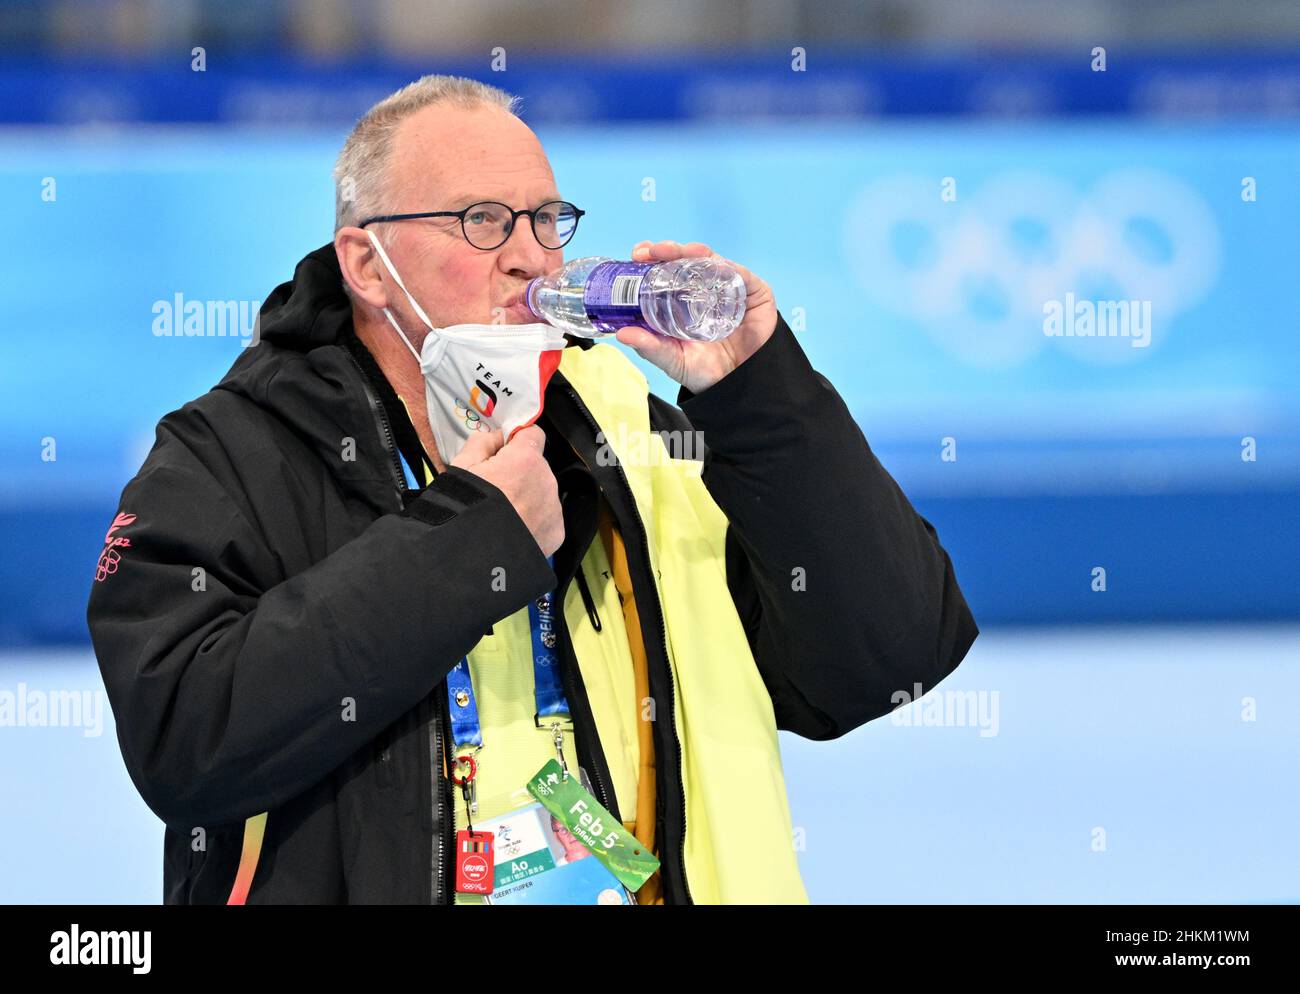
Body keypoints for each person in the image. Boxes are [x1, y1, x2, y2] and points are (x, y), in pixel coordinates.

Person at [86, 74, 978, 905]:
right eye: (482, 220)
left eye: (546, 220)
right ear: (365, 263)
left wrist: (764, 397)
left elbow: (890, 661)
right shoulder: (225, 459)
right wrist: (468, 541)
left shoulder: (634, 438)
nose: (529, 257)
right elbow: (185, 742)